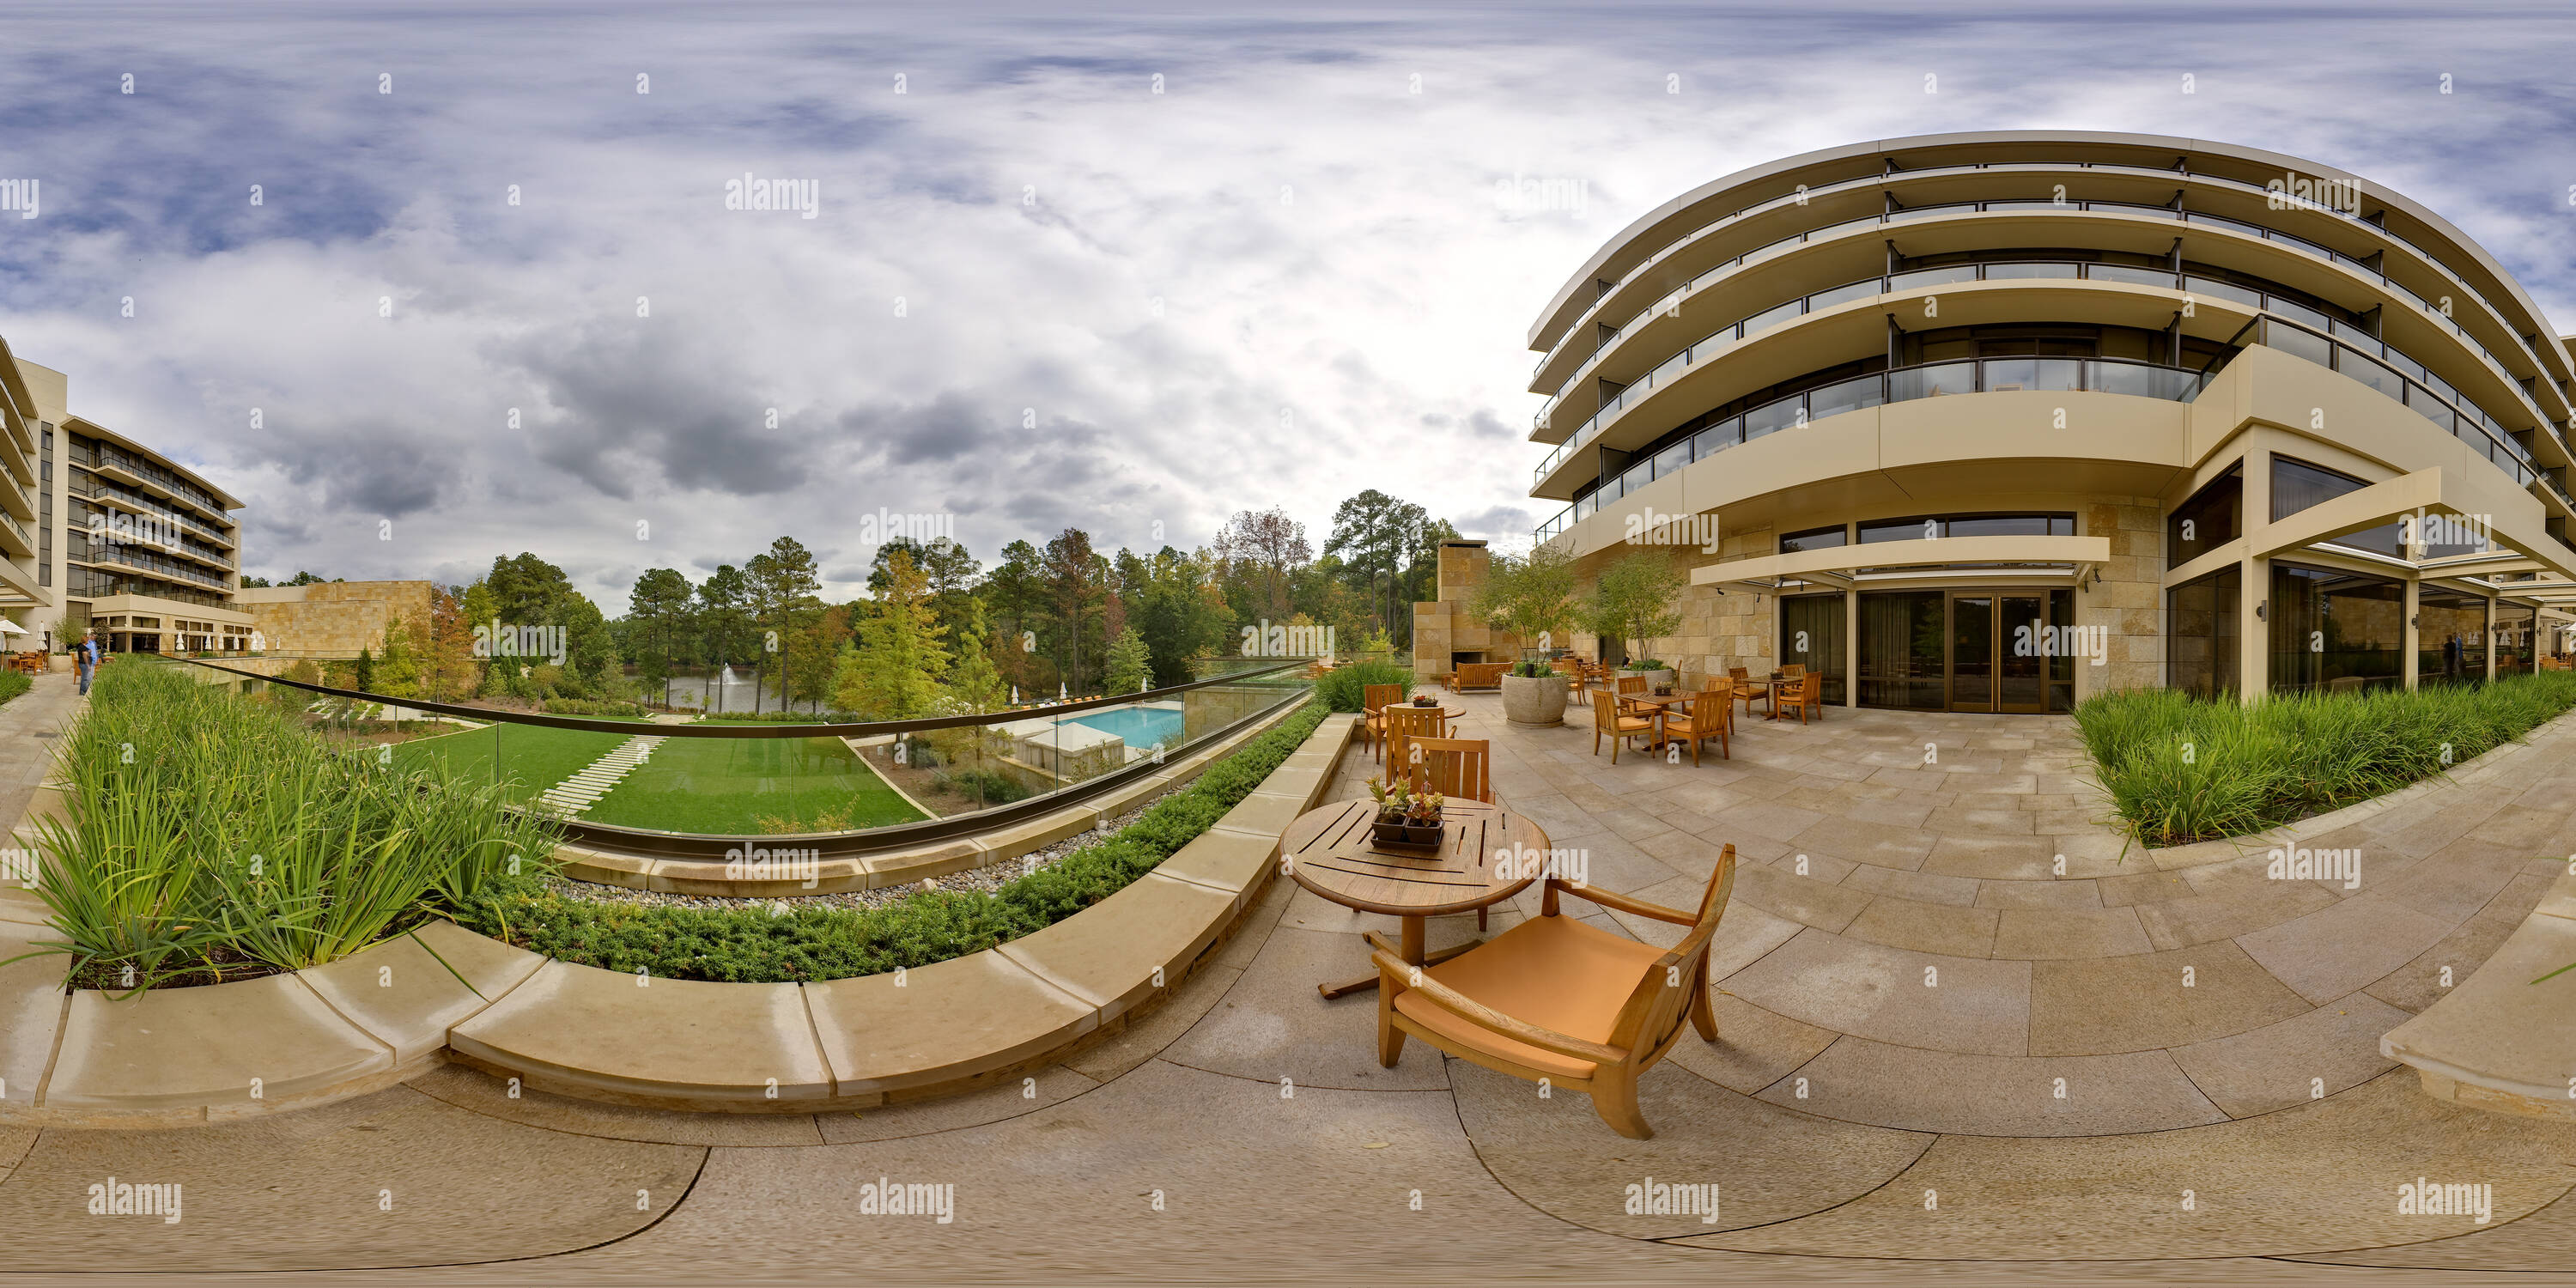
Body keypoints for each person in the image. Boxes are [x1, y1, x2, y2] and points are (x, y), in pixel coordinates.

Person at [76, 629, 100, 696]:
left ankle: (85, 691)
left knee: (87, 678)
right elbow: (85, 657)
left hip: (86, 664)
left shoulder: (83, 646)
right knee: (85, 678)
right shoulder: (83, 647)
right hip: (84, 664)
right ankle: (83, 692)